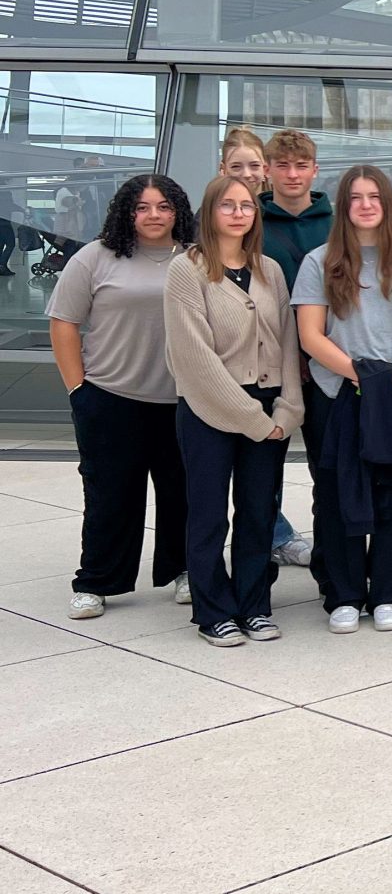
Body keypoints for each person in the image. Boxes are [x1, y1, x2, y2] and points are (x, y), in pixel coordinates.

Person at [294, 166, 392, 634]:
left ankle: (389, 592)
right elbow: (311, 336)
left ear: (387, 204)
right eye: (355, 197)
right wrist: (359, 377)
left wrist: (387, 380)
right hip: (339, 395)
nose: (366, 204)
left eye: (374, 196)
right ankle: (345, 594)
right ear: (344, 206)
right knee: (336, 494)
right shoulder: (320, 262)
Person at [165, 176, 304, 645]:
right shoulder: (187, 270)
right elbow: (194, 356)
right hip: (209, 408)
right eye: (228, 205)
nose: (239, 213)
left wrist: (288, 408)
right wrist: (252, 420)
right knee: (208, 515)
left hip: (269, 409)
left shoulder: (269, 270)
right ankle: (213, 611)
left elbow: (288, 341)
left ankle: (254, 605)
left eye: (247, 205)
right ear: (210, 212)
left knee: (258, 513)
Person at [49, 174, 195, 620]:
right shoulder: (95, 258)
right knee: (110, 496)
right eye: (143, 207)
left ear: (178, 213)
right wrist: (79, 390)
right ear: (127, 212)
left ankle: (185, 570)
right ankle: (96, 581)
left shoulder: (195, 258)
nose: (154, 215)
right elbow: (63, 322)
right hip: (111, 398)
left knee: (184, 494)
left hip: (182, 401)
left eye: (164, 207)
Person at [260, 128, 330, 568]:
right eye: (282, 165)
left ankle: (330, 546)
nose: (291, 174)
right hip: (268, 364)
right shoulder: (250, 222)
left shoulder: (337, 222)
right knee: (265, 467)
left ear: (314, 170)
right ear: (266, 171)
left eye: (300, 165)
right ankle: (270, 539)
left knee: (329, 465)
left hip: (326, 364)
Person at [221, 130, 268, 195]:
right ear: (223, 170)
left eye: (255, 165)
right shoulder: (210, 204)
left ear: (265, 169)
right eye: (236, 166)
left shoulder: (281, 204)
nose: (246, 174)